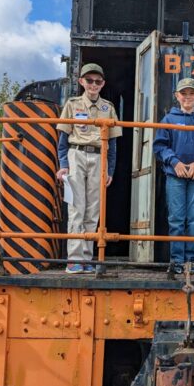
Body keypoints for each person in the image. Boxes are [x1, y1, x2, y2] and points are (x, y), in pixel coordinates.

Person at [56, 63, 122, 274]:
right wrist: (63, 165)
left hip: (99, 156)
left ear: (102, 84)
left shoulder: (108, 108)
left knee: (93, 209)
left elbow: (113, 144)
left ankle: (86, 257)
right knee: (76, 207)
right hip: (76, 154)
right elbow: (63, 139)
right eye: (89, 80)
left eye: (97, 81)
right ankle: (73, 259)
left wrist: (110, 170)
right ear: (81, 82)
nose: (93, 84)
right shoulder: (72, 104)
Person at [153, 78, 194, 274]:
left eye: (192, 93)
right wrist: (175, 162)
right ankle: (177, 260)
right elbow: (160, 146)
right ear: (177, 96)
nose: (188, 97)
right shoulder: (168, 120)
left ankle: (192, 260)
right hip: (175, 176)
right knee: (176, 218)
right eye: (184, 93)